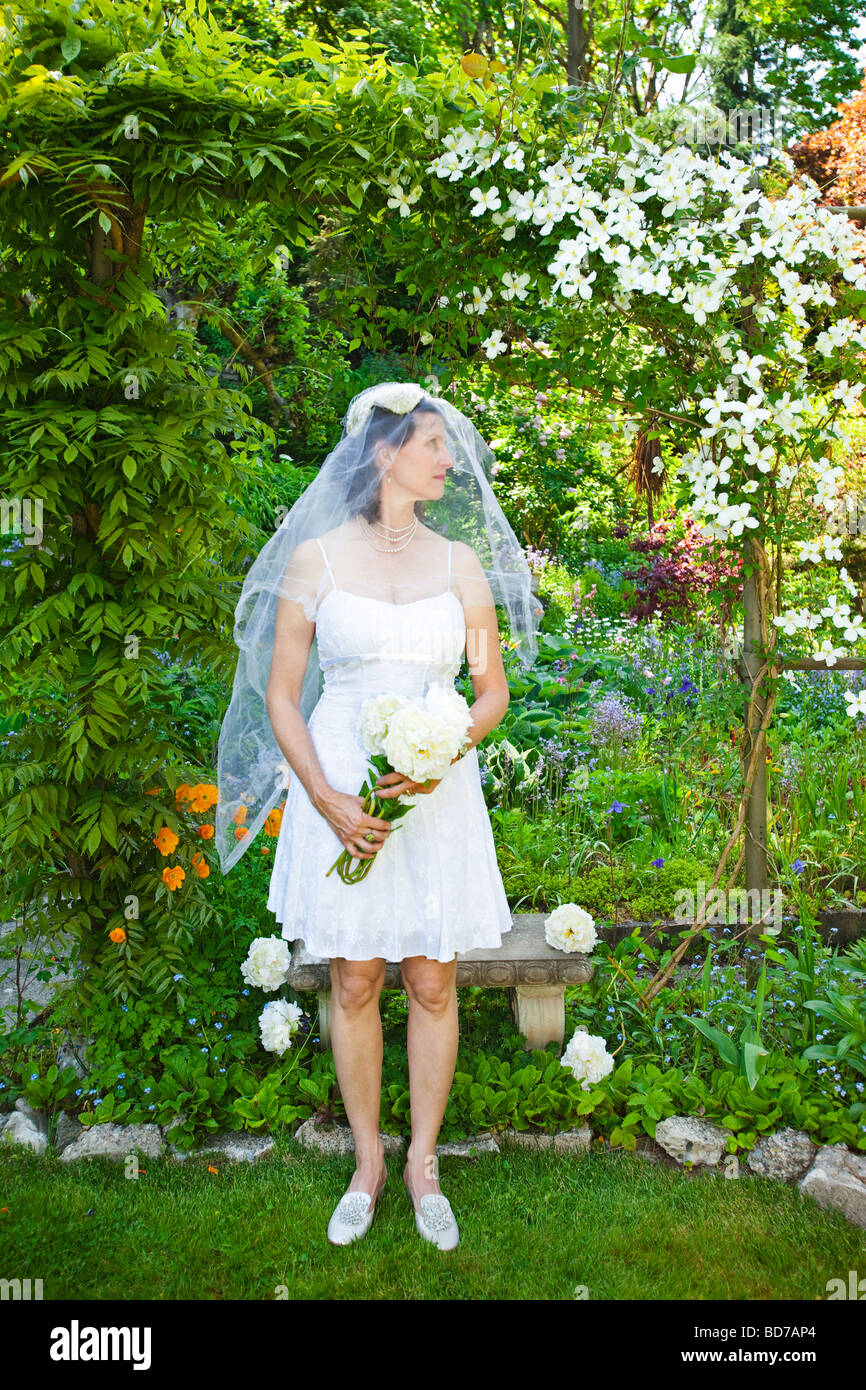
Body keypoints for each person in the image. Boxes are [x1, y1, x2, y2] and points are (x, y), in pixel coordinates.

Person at [215, 381, 540, 1250]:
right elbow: (282, 696)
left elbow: (490, 688)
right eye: (433, 444)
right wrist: (322, 798)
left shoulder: (459, 566)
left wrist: (441, 753)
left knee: (432, 980)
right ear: (385, 455)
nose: (450, 459)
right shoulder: (315, 561)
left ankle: (422, 1163)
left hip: (434, 794)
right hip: (338, 785)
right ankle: (366, 1161)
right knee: (355, 978)